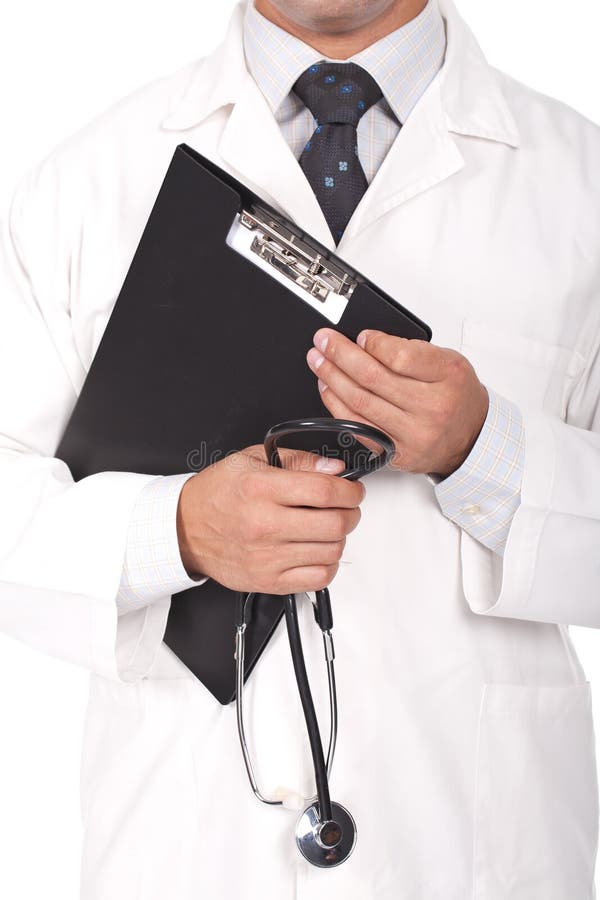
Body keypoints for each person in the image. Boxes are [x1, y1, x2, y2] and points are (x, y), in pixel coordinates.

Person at [1, 0, 599, 896]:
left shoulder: (581, 185)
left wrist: (485, 451)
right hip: (184, 856)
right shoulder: (84, 182)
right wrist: (176, 532)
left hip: (474, 852)